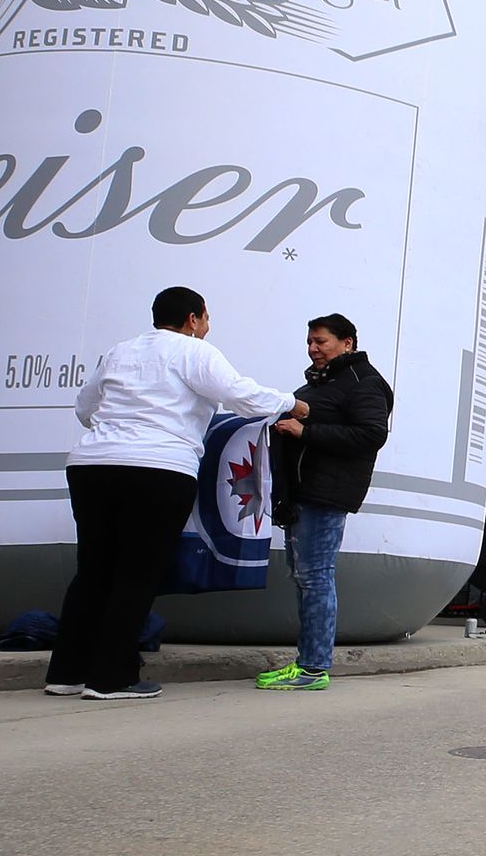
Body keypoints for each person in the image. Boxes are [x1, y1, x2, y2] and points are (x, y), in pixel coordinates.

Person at [47, 286, 300, 702]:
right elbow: (241, 395)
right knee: (137, 571)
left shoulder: (119, 352)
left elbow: (84, 408)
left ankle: (66, 672)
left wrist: (120, 429)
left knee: (92, 570)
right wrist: (293, 403)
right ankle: (112, 677)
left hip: (92, 465)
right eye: (206, 317)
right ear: (194, 319)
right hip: (159, 468)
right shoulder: (195, 351)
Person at [258, 312, 394, 692]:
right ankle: (308, 661)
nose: (314, 349)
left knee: (315, 576)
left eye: (321, 342)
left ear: (347, 342)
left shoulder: (363, 382)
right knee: (305, 577)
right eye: (310, 342)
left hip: (326, 493)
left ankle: (314, 667)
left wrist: (305, 429)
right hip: (301, 492)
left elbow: (370, 435)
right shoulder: (323, 382)